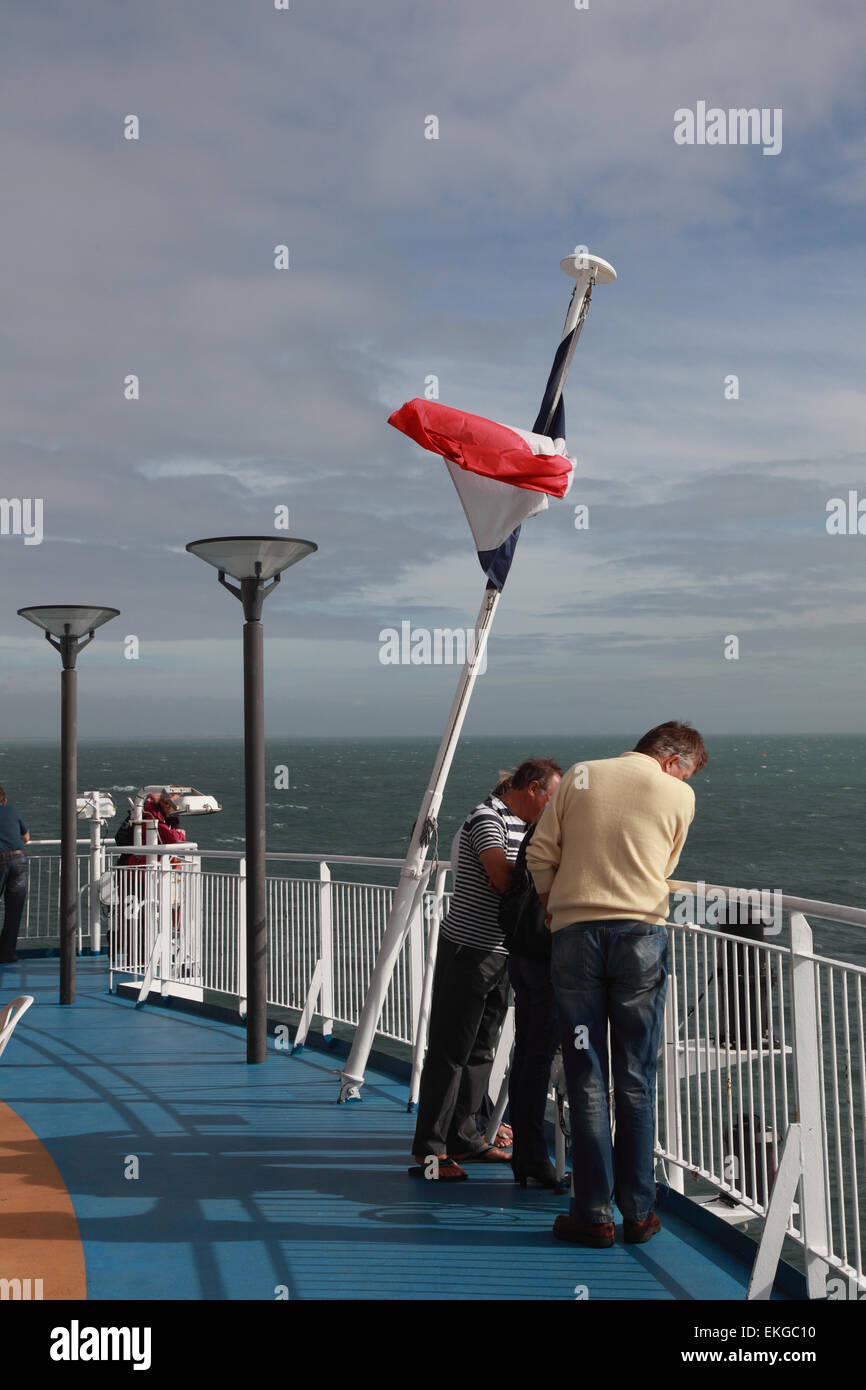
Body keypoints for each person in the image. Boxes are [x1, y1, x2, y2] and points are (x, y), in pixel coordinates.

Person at [527, 722, 707, 1245]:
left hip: (576, 940)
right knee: (635, 1076)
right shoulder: (678, 794)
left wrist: (557, 909)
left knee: (585, 1074)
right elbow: (665, 864)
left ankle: (593, 1214)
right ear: (673, 759)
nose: (687, 777)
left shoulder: (581, 776)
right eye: (689, 769)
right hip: (640, 940)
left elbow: (540, 855)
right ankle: (639, 1212)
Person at [410, 758, 561, 1180]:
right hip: (468, 953)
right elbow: (499, 875)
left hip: (501, 953)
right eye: (551, 796)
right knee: (450, 1052)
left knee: (481, 1052)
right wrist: (550, 873)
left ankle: (465, 1136)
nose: (553, 806)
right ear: (532, 788)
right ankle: (430, 1153)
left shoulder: (522, 826)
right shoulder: (487, 819)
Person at [500, 818, 563, 1190]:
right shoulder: (565, 834)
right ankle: (534, 1156)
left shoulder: (539, 829)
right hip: (546, 960)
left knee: (527, 1055)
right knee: (537, 1059)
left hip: (523, 953)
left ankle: (527, 1153)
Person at [0, 785, 30, 964]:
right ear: (4, 800)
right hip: (19, 860)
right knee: (14, 911)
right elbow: (26, 837)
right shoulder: (13, 811)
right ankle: (6, 953)